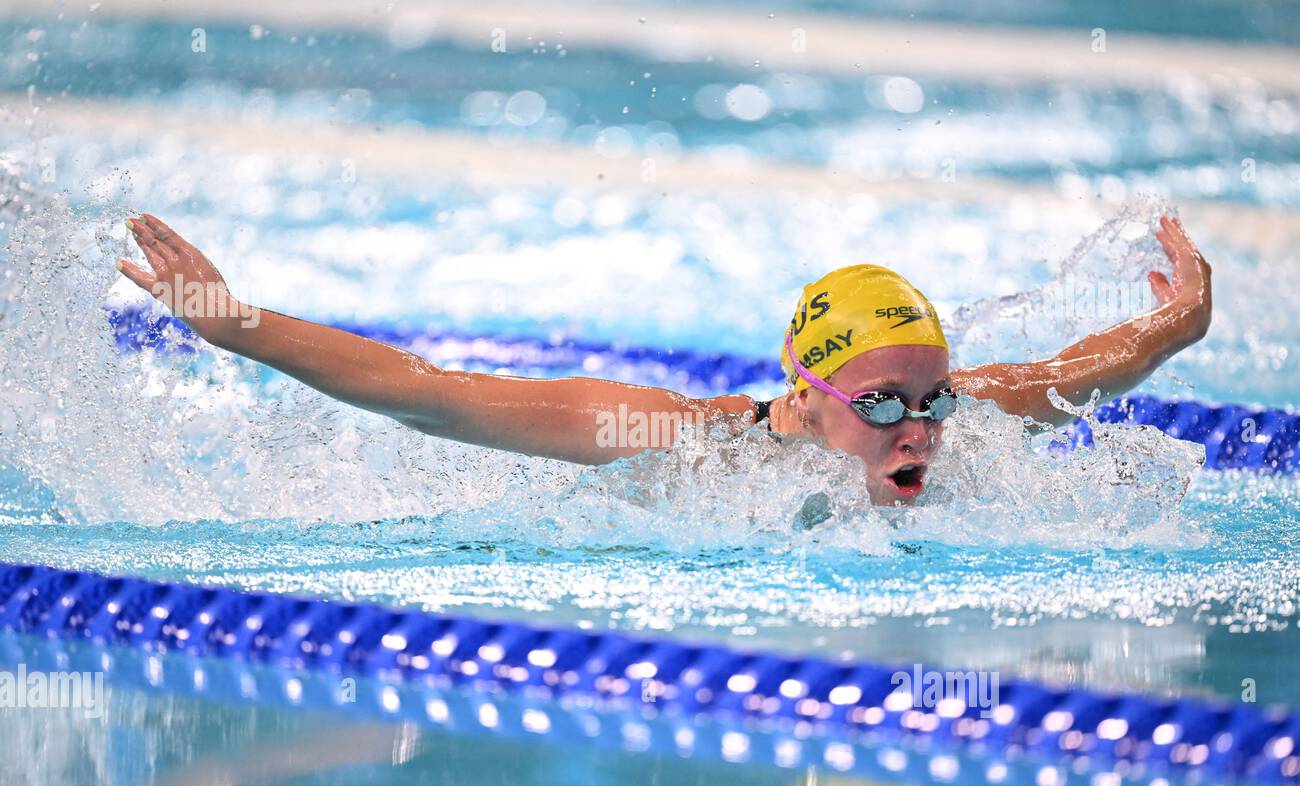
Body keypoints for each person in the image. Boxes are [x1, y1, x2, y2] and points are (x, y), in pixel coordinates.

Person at [116, 214, 1211, 506]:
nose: (920, 425)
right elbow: (436, 397)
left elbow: (1080, 369)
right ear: (807, 387)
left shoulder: (954, 415)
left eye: (932, 397)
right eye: (881, 402)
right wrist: (236, 324)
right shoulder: (686, 444)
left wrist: (1173, 328)